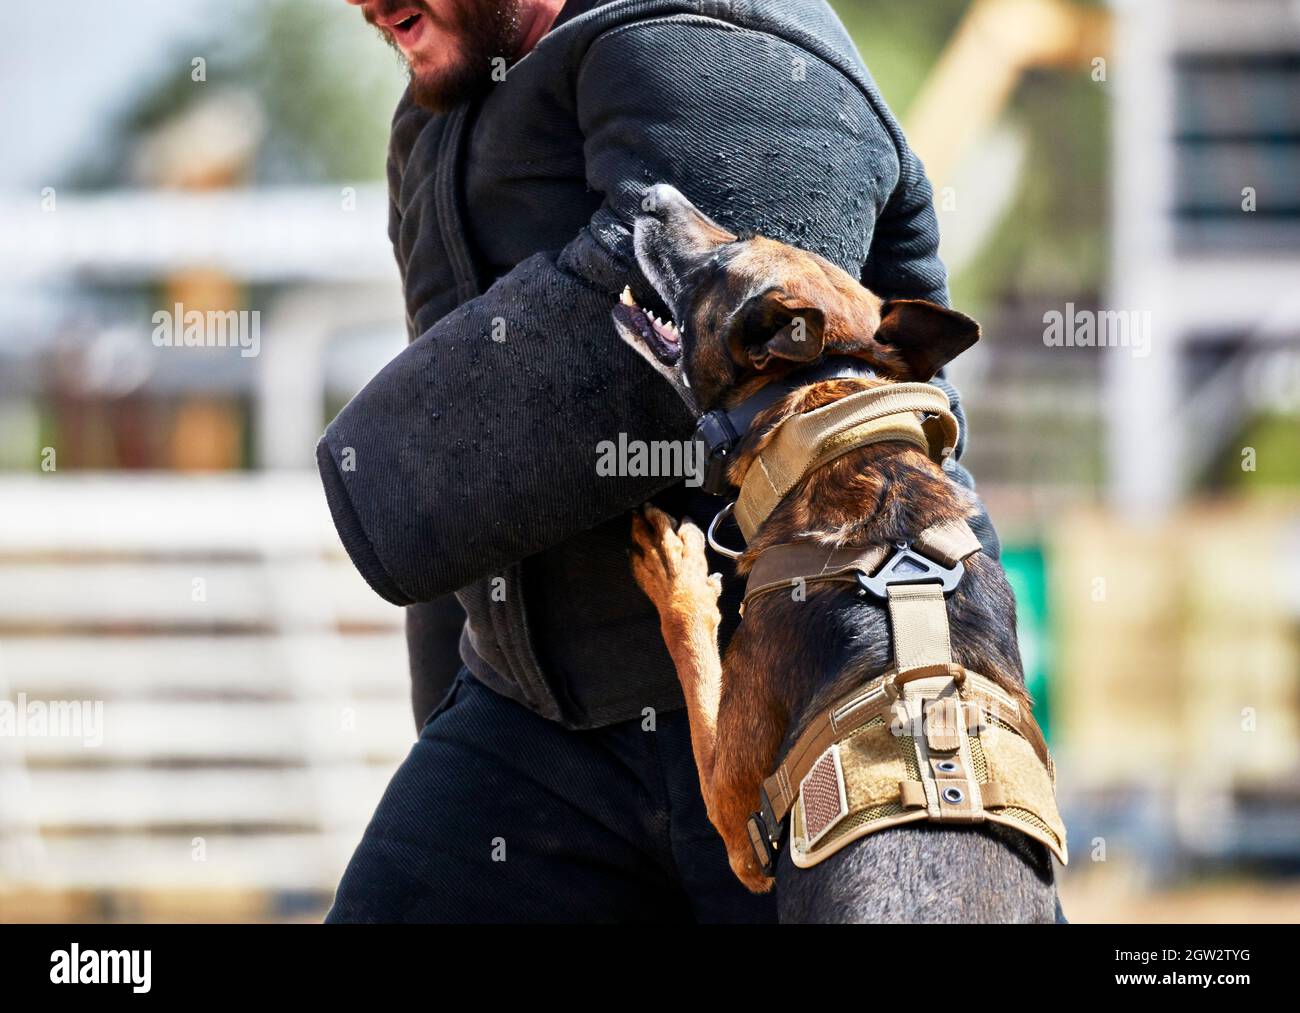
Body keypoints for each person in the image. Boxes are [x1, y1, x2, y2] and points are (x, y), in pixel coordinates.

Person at [322, 0, 997, 922]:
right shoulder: (436, 121)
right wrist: (448, 707)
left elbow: (713, 309)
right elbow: (470, 528)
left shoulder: (718, 37)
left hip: (824, 696)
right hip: (535, 731)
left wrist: (378, 480)